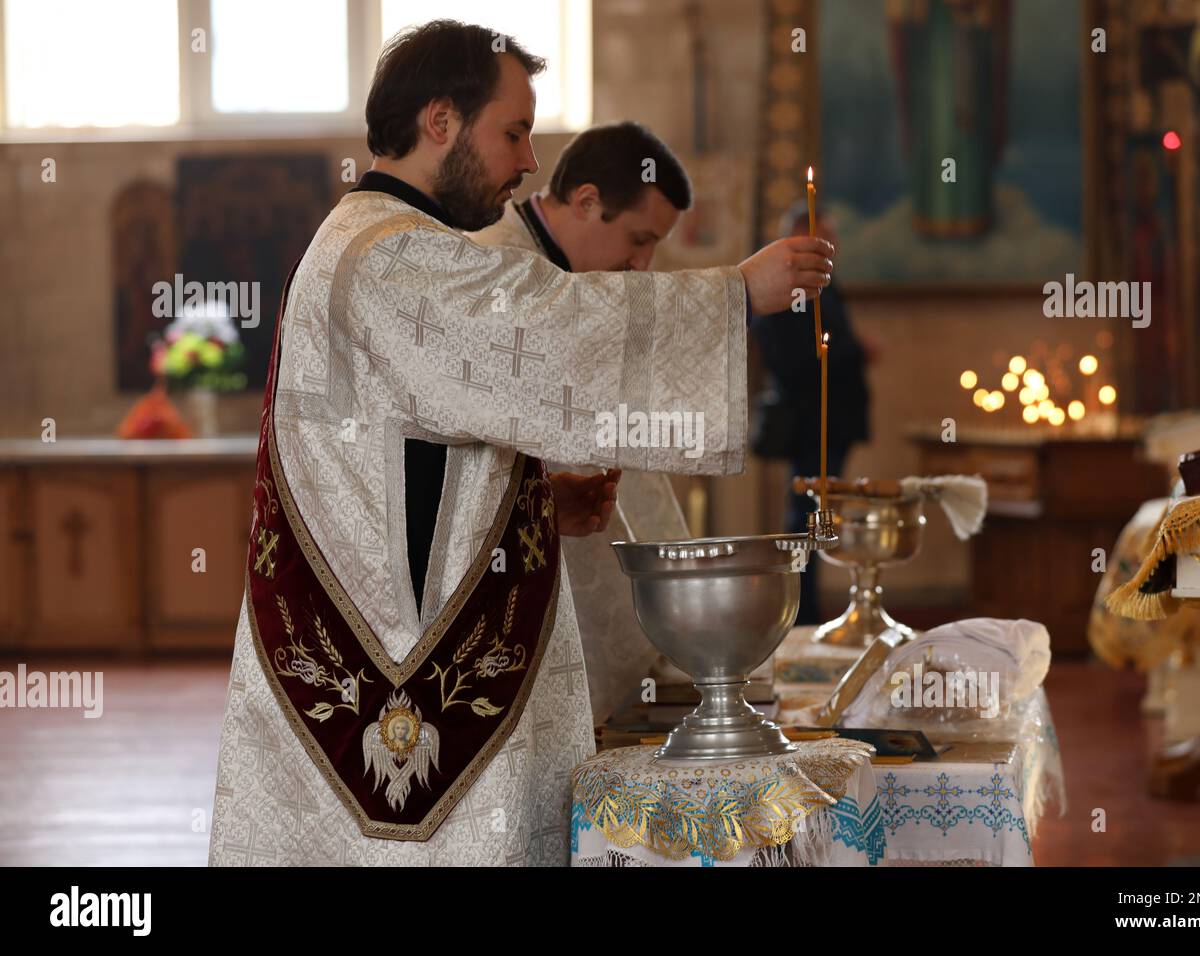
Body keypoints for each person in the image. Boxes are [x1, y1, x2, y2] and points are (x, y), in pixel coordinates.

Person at [208, 19, 834, 866]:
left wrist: (537, 497)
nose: (530, 160)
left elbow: (417, 452)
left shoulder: (378, 240)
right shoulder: (393, 256)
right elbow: (550, 325)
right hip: (401, 671)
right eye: (513, 131)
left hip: (398, 638)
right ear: (440, 121)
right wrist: (735, 292)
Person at [470, 120, 695, 725]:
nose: (643, 264)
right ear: (588, 200)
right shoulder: (495, 266)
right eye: (639, 239)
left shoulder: (583, 280)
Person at [751, 205, 870, 626]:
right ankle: (799, 613)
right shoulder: (785, 291)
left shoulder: (823, 284)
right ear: (801, 237)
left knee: (820, 516)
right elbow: (793, 355)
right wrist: (844, 353)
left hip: (835, 418)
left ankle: (809, 608)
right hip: (810, 421)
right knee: (806, 517)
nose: (832, 245)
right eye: (826, 236)